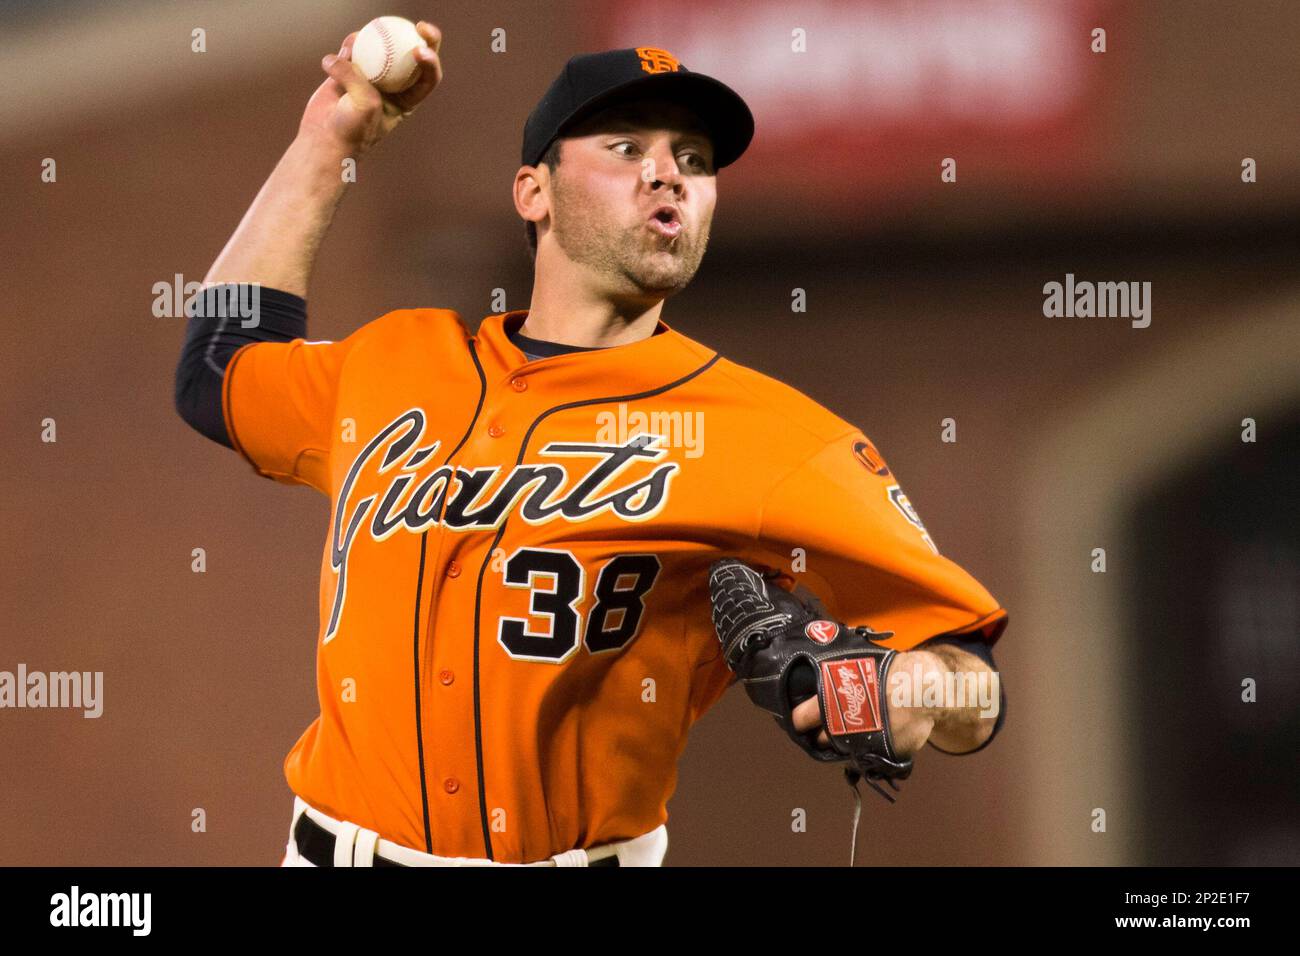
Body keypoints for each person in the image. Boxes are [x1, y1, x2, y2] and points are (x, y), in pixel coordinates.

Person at [174, 26, 1008, 867]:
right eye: (625, 145)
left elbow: (973, 673)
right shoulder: (396, 362)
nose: (667, 171)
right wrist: (328, 139)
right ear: (533, 191)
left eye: (694, 156)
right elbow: (217, 369)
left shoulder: (774, 435)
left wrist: (924, 687)